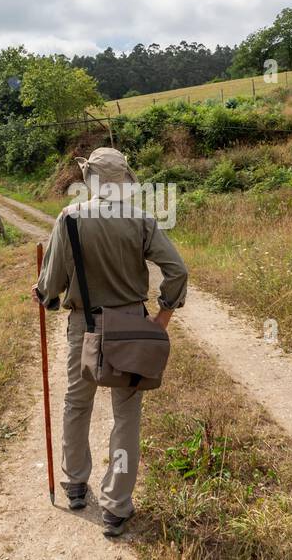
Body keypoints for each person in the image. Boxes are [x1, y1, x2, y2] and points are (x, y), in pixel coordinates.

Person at [32, 147, 188, 536]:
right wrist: (162, 317)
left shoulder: (69, 218)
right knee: (126, 416)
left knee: (76, 402)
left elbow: (49, 287)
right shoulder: (141, 219)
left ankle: (75, 484)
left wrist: (46, 297)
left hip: (84, 325)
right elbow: (177, 271)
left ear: (90, 181)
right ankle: (116, 507)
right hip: (132, 325)